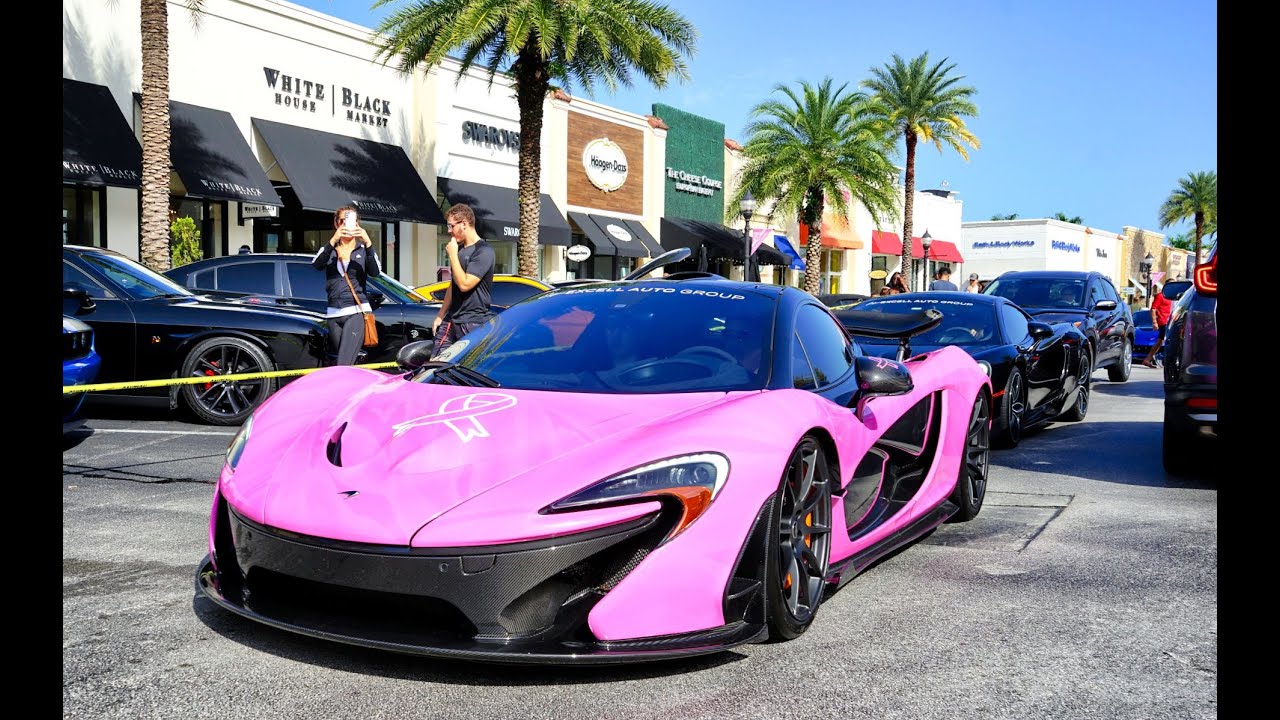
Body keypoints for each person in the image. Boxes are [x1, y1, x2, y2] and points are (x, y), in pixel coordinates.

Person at [312, 205, 381, 365]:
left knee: (343, 362)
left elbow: (375, 272)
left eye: (352, 221)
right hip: (333, 314)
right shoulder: (330, 249)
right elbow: (316, 264)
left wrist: (368, 242)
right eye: (343, 221)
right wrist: (333, 240)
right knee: (345, 360)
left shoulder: (363, 250)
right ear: (336, 224)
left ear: (358, 224)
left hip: (355, 312)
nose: (347, 225)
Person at [432, 203, 496, 357]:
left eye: (451, 226)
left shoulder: (484, 251)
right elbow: (453, 285)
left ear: (464, 224)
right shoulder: (460, 251)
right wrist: (440, 315)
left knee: (468, 367)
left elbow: (465, 284)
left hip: (472, 321)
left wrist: (453, 255)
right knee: (436, 363)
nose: (449, 231)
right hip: (451, 319)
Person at [1143, 282, 1172, 367]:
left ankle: (1148, 359)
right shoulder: (1160, 296)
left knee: (1160, 341)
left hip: (1170, 321)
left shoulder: (1172, 297)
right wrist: (1154, 322)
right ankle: (1152, 359)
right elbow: (1153, 309)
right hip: (1163, 321)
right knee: (1165, 340)